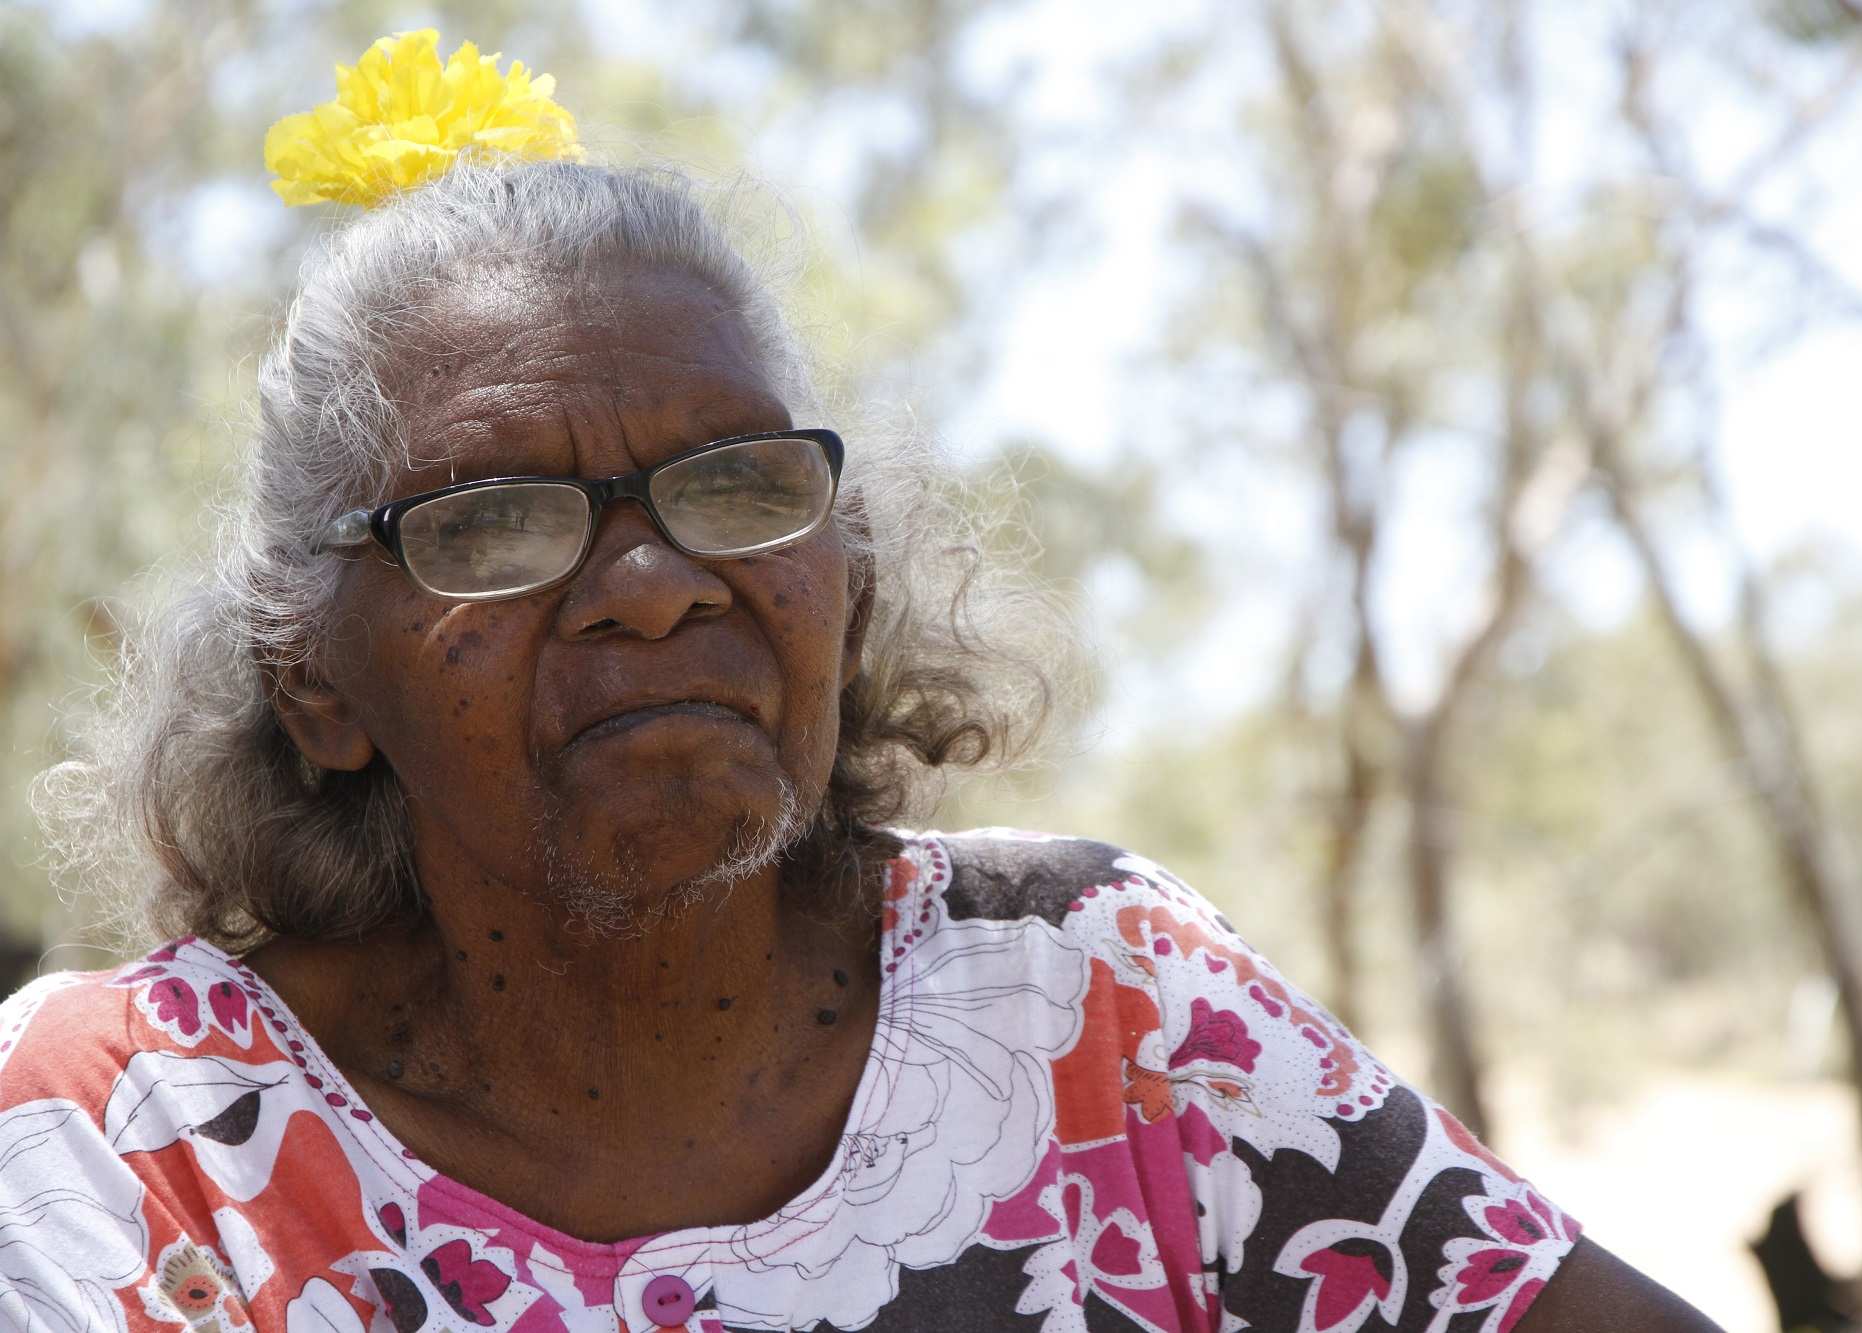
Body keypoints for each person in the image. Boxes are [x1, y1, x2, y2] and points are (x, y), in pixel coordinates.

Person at [3, 31, 1720, 1333]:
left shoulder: (1098, 1005)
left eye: (739, 485)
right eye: (495, 521)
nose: (659, 585)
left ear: (850, 571)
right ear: (317, 683)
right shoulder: (126, 1137)